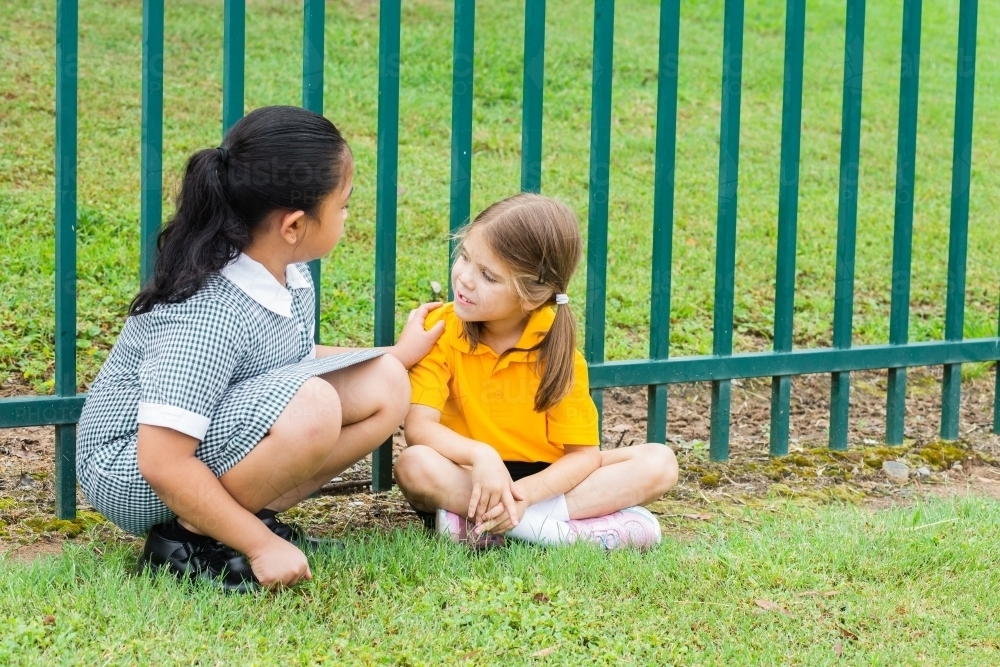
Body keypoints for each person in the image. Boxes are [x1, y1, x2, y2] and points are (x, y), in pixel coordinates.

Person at [76, 106, 443, 591]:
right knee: (313, 405)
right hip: (130, 471)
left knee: (387, 381)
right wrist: (262, 548)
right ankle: (191, 544)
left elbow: (289, 360)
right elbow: (160, 460)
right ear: (293, 225)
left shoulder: (287, 272)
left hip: (195, 440)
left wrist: (396, 353)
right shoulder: (205, 312)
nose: (349, 215)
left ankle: (243, 520)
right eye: (345, 205)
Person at [394, 193, 678, 550]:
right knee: (413, 464)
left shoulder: (558, 351)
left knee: (659, 462)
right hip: (468, 474)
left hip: (548, 482)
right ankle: (563, 533)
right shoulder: (438, 328)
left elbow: (584, 455)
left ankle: (497, 526)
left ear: (530, 296)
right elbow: (420, 429)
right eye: (464, 256)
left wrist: (526, 495)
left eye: (488, 276)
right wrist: (482, 455)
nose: (464, 278)